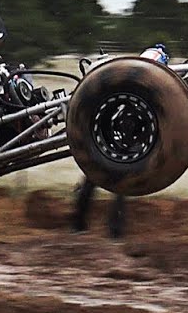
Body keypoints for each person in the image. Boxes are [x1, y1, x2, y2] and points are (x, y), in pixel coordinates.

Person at [71, 43, 170, 238]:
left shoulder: (130, 77)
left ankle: (80, 225)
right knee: (118, 185)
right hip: (122, 141)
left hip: (110, 140)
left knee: (96, 179)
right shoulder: (151, 85)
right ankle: (110, 231)